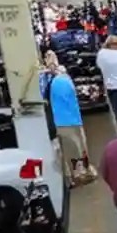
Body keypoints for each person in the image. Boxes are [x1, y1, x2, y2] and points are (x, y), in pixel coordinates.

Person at [39, 50, 95, 185]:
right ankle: (80, 174)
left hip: (61, 120)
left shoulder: (50, 81)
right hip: (69, 119)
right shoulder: (62, 80)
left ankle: (73, 176)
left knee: (70, 150)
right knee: (76, 148)